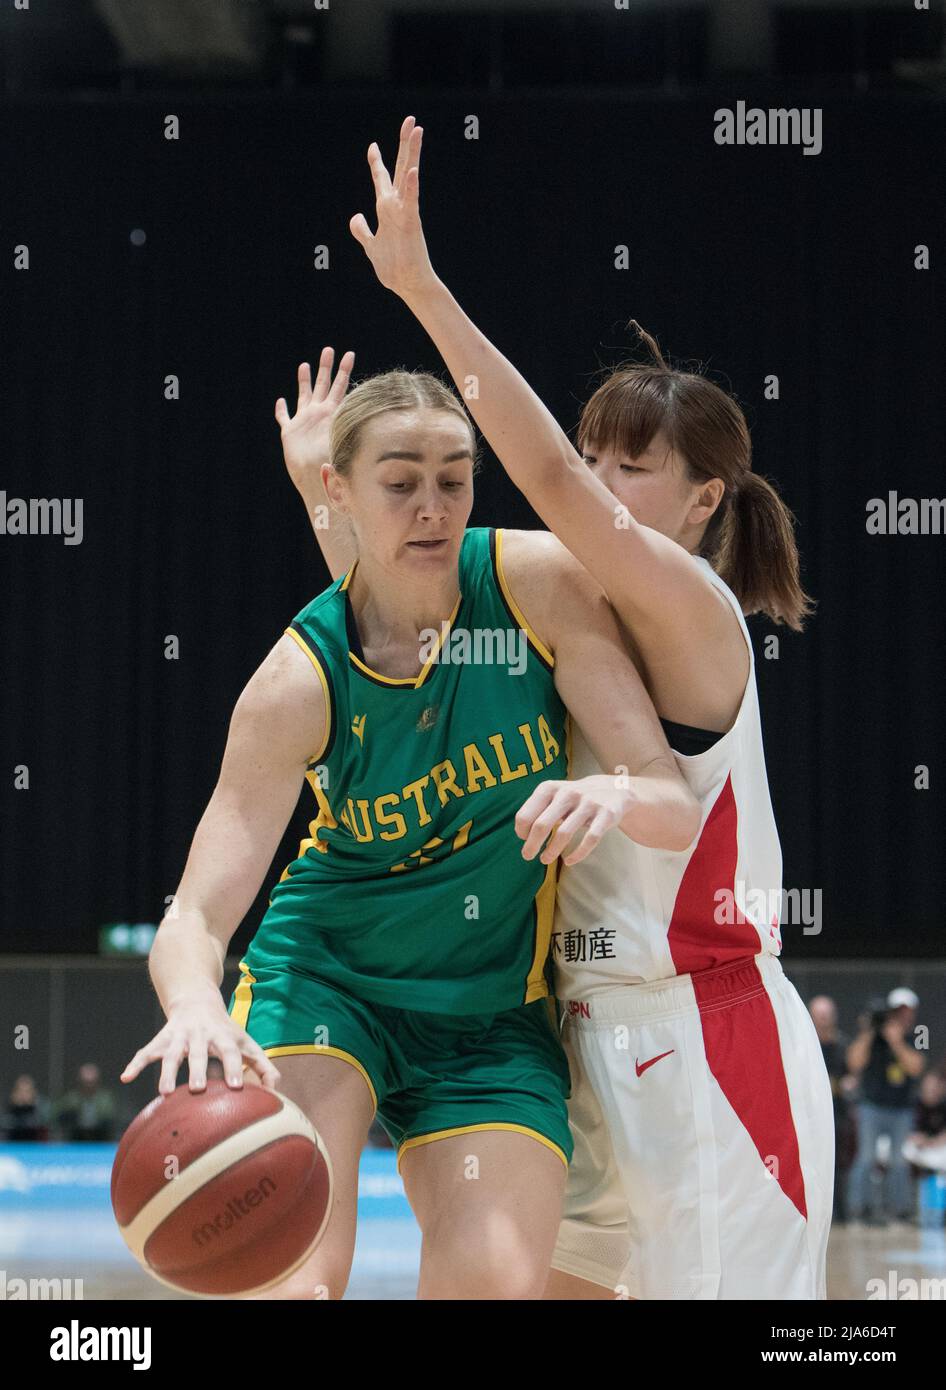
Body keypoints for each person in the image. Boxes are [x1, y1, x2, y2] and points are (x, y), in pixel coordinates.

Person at [294, 114, 835, 1300]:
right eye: (590, 455)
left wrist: (424, 293)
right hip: (575, 1045)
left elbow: (530, 480)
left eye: (625, 467)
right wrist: (327, 499)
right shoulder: (551, 620)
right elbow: (395, 621)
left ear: (701, 502)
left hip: (706, 1041)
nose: (593, 486)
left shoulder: (695, 613)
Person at [122, 367, 700, 1301]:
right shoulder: (296, 684)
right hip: (327, 984)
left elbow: (672, 799)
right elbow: (194, 913)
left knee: (494, 1291)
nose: (433, 508)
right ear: (338, 493)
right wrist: (192, 1003)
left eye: (454, 478)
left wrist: (616, 795)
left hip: (489, 1015)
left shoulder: (536, 585)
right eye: (401, 483)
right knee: (296, 1282)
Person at [846, 987, 925, 1225]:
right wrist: (869, 1032)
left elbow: (916, 1067)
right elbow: (854, 1062)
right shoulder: (873, 1038)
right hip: (872, 1106)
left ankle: (899, 1211)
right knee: (867, 1158)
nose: (903, 1016)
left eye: (907, 1012)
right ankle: (860, 1210)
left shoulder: (918, 1034)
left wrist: (897, 1041)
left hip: (901, 1108)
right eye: (898, 1011)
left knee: (899, 1160)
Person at [809, 995, 855, 1223]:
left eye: (827, 1015)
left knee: (838, 1164)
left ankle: (841, 1213)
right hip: (809, 1116)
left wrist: (848, 1083)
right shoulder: (803, 1044)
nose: (824, 1020)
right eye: (819, 1015)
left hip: (838, 1114)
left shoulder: (842, 1045)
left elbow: (851, 1075)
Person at [54, 1063, 116, 1142]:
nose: (88, 1086)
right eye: (86, 1082)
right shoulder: (71, 1099)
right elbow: (57, 1116)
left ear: (97, 1081)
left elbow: (110, 1118)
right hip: (75, 1139)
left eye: (91, 1082)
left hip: (100, 1139)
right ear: (80, 1081)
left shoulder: (105, 1099)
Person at [1, 1074, 51, 1141]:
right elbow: (4, 1124)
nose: (23, 1095)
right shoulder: (8, 1109)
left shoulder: (41, 1108)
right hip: (13, 1146)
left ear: (34, 1093)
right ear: (14, 1093)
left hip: (36, 1147)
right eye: (20, 1091)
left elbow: (44, 1124)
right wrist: (16, 1108)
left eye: (27, 1091)